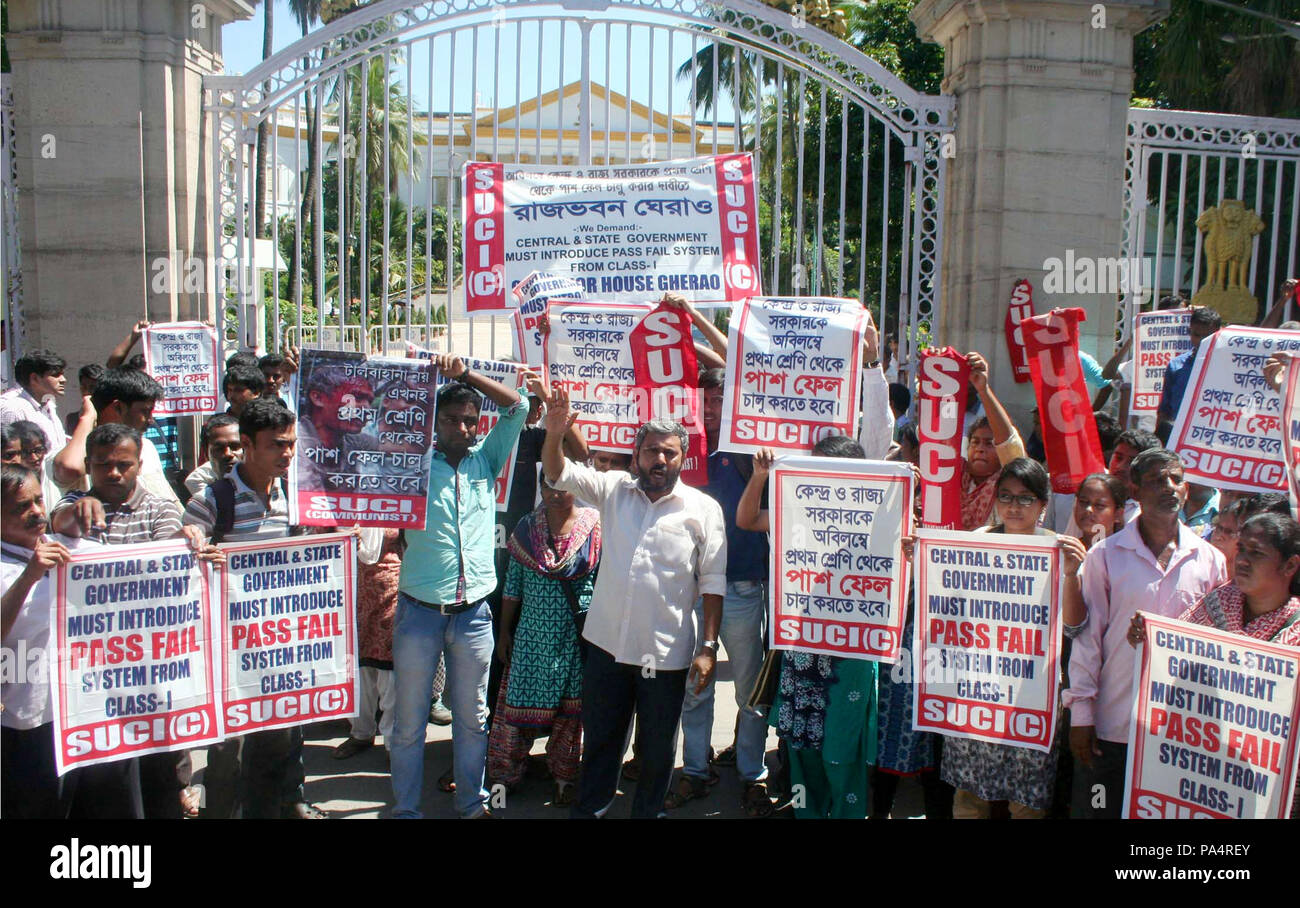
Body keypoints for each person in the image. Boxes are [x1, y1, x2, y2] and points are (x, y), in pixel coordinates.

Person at [543, 390, 726, 819]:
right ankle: (591, 811)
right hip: (607, 647)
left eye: (669, 452)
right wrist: (554, 434)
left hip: (664, 654)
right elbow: (558, 473)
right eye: (650, 451)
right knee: (602, 741)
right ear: (636, 454)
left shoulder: (703, 510)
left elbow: (713, 581)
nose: (658, 460)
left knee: (658, 749)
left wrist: (709, 648)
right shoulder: (613, 490)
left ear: (683, 458)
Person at [388, 355, 529, 820]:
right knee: (408, 724)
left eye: (471, 421)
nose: (464, 428)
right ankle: (407, 811)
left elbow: (520, 407)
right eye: (452, 419)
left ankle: (472, 804)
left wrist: (465, 375)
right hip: (419, 612)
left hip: (474, 614)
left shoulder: (485, 460)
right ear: (435, 421)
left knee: (472, 719)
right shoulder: (412, 466)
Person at [182, 399, 327, 819]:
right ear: (246, 444)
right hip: (229, 650)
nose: (287, 454)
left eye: (290, 445)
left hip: (280, 647)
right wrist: (192, 542)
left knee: (274, 746)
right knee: (227, 753)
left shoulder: (297, 495)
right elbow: (184, 561)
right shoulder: (214, 500)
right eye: (276, 445)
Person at [1063, 447, 1227, 818]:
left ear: (1187, 490)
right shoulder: (1105, 556)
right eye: (1156, 480)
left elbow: (1217, 643)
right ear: (1134, 491)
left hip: (1176, 731)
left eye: (1176, 479)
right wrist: (1083, 714)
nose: (1169, 487)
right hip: (1113, 723)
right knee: (1098, 810)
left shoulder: (1211, 560)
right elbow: (1088, 639)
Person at [47, 423, 200, 818]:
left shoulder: (161, 509)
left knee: (156, 772)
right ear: (88, 466)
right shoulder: (72, 503)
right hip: (93, 672)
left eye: (123, 465)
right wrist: (72, 514)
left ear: (139, 464)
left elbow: (171, 568)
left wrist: (190, 546)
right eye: (103, 465)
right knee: (106, 782)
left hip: (150, 666)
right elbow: (56, 522)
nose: (113, 473)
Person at [735, 436, 888, 819]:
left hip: (851, 649)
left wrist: (902, 492)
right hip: (803, 645)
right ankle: (807, 812)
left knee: (841, 745)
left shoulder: (878, 515)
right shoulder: (797, 510)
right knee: (802, 745)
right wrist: (759, 477)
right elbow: (746, 520)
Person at [936, 458, 1087, 819]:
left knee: (1026, 799)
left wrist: (1071, 576)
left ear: (1042, 505)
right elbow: (946, 609)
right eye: (1005, 497)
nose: (1013, 507)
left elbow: (1074, 628)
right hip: (975, 688)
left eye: (1024, 499)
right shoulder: (974, 543)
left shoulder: (1060, 549)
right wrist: (925, 563)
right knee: (970, 796)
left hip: (1031, 693)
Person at [1128, 511, 1300, 817]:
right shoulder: (1219, 602)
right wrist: (1148, 638)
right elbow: (1173, 657)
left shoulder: (1296, 634)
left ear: (1290, 565)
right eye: (1242, 548)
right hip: (1203, 774)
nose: (1243, 560)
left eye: (1257, 553)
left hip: (1266, 786)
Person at [1, 465, 145, 818]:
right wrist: (29, 576)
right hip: (34, 723)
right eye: (21, 506)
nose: (35, 512)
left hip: (96, 712)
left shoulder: (71, 547)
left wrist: (192, 554)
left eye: (38, 501)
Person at [487, 474, 601, 805]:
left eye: (561, 486)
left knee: (571, 716)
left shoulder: (594, 527)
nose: (554, 494)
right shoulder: (526, 528)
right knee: (514, 713)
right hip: (531, 638)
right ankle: (504, 778)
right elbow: (513, 584)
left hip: (574, 637)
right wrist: (505, 631)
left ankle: (564, 778)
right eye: (548, 486)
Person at [333, 528, 399, 760]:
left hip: (391, 591)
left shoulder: (399, 495)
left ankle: (394, 744)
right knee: (356, 667)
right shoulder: (339, 499)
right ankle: (361, 732)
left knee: (390, 674)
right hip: (350, 590)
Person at [91, 368, 179, 504]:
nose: (150, 420)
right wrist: (87, 417)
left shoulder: (147, 448)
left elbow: (168, 501)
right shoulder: (82, 454)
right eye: (145, 411)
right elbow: (68, 468)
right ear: (118, 408)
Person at [959, 352, 1026, 530]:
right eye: (975, 442)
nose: (980, 449)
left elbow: (1008, 442)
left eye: (989, 444)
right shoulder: (954, 476)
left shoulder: (1010, 481)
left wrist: (983, 389)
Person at [1156, 306, 1222, 443]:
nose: (1202, 341)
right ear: (1189, 331)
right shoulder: (1176, 366)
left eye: (1208, 336)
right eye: (1197, 335)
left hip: (1214, 437)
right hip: (1179, 436)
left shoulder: (1226, 367)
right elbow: (1164, 410)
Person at [184, 413, 242, 496]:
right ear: (206, 455)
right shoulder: (204, 504)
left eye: (235, 447)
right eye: (219, 449)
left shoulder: (264, 495)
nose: (228, 454)